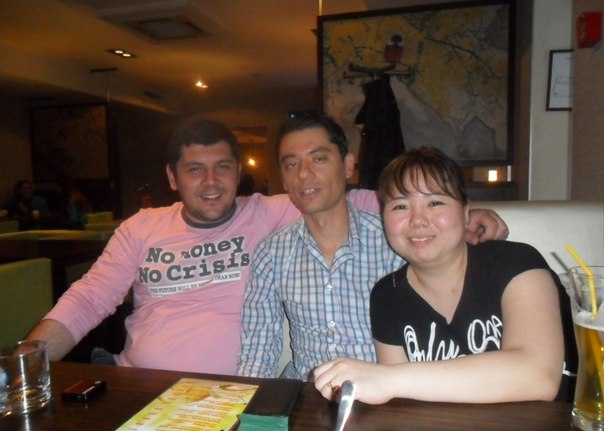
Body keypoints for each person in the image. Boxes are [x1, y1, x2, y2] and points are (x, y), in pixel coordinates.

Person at [26, 118, 505, 375]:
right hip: (140, 383)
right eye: (194, 170)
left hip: (229, 390)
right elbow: (89, 297)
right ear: (172, 177)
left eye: (223, 168)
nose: (211, 182)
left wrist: (459, 217)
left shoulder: (269, 212)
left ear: (240, 172)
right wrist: (26, 361)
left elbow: (353, 198)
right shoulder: (142, 227)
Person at [237, 115, 509, 380]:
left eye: (318, 159)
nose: (304, 173)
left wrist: (464, 222)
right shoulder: (272, 253)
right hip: (309, 394)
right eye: (291, 164)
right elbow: (258, 347)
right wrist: (250, 405)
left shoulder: (398, 238)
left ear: (347, 165)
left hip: (387, 390)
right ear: (284, 180)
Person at [313, 147, 577, 403]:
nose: (418, 220)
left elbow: (538, 376)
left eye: (435, 202)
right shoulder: (387, 296)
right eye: (400, 206)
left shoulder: (515, 263)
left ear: (465, 212)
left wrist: (386, 379)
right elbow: (402, 406)